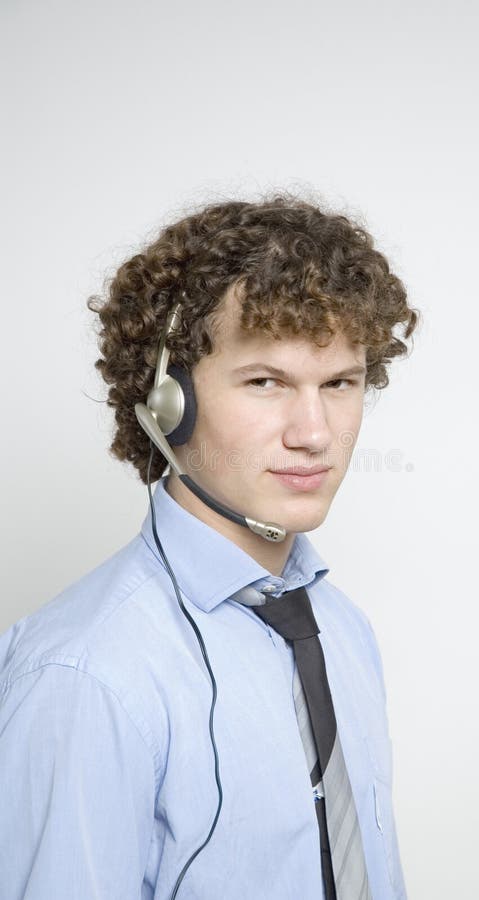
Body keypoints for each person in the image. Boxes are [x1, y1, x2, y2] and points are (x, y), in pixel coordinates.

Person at [0, 193, 419, 899]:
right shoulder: (84, 675)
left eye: (339, 383)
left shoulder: (343, 630)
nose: (314, 433)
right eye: (266, 382)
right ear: (169, 400)